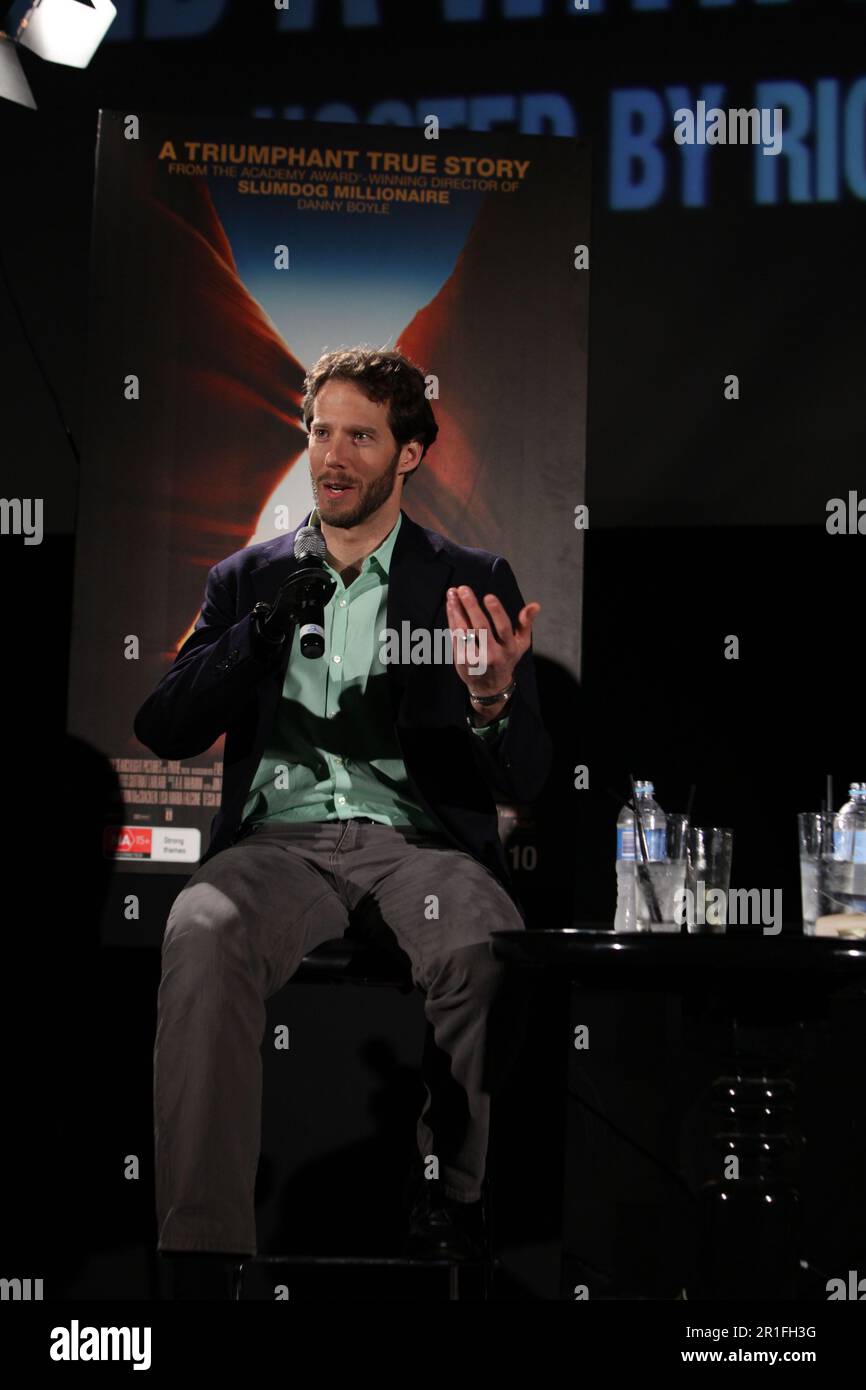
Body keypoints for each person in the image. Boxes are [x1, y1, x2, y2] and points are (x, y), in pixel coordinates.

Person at [134, 346, 553, 1298]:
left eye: (360, 435)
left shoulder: (465, 575)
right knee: (200, 929)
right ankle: (200, 1255)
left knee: (487, 946)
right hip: (278, 851)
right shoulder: (248, 578)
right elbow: (162, 726)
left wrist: (492, 699)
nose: (333, 454)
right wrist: (260, 630)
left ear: (407, 454)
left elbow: (529, 770)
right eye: (321, 430)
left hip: (418, 849)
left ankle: (455, 1196)